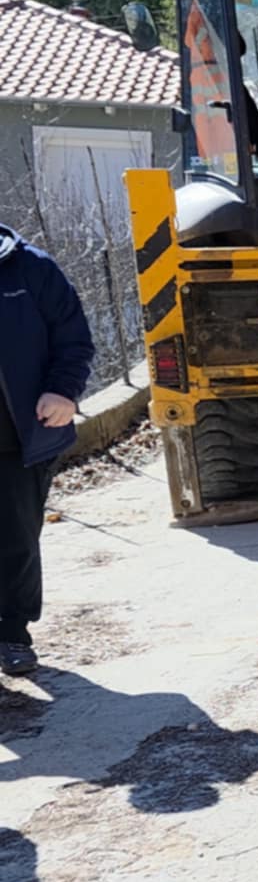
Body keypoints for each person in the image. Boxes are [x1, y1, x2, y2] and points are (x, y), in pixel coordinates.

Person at [0, 224, 91, 676]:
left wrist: (62, 391)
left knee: (16, 540)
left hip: (16, 438)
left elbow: (73, 338)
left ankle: (13, 634)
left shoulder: (29, 268)